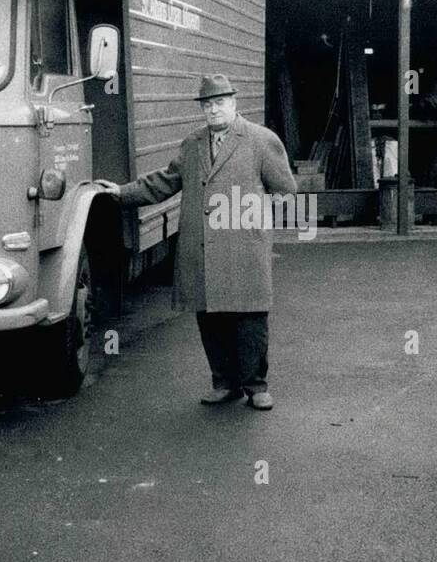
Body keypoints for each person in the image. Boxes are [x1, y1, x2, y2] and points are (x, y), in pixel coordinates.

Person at [95, 73, 297, 409]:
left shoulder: (262, 141)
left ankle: (256, 387)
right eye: (207, 104)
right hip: (202, 247)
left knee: (249, 318)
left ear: (234, 104)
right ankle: (225, 383)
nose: (213, 110)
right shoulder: (193, 144)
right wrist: (121, 192)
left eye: (220, 102)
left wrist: (255, 218)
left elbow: (286, 191)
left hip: (243, 246)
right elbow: (165, 181)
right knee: (210, 317)